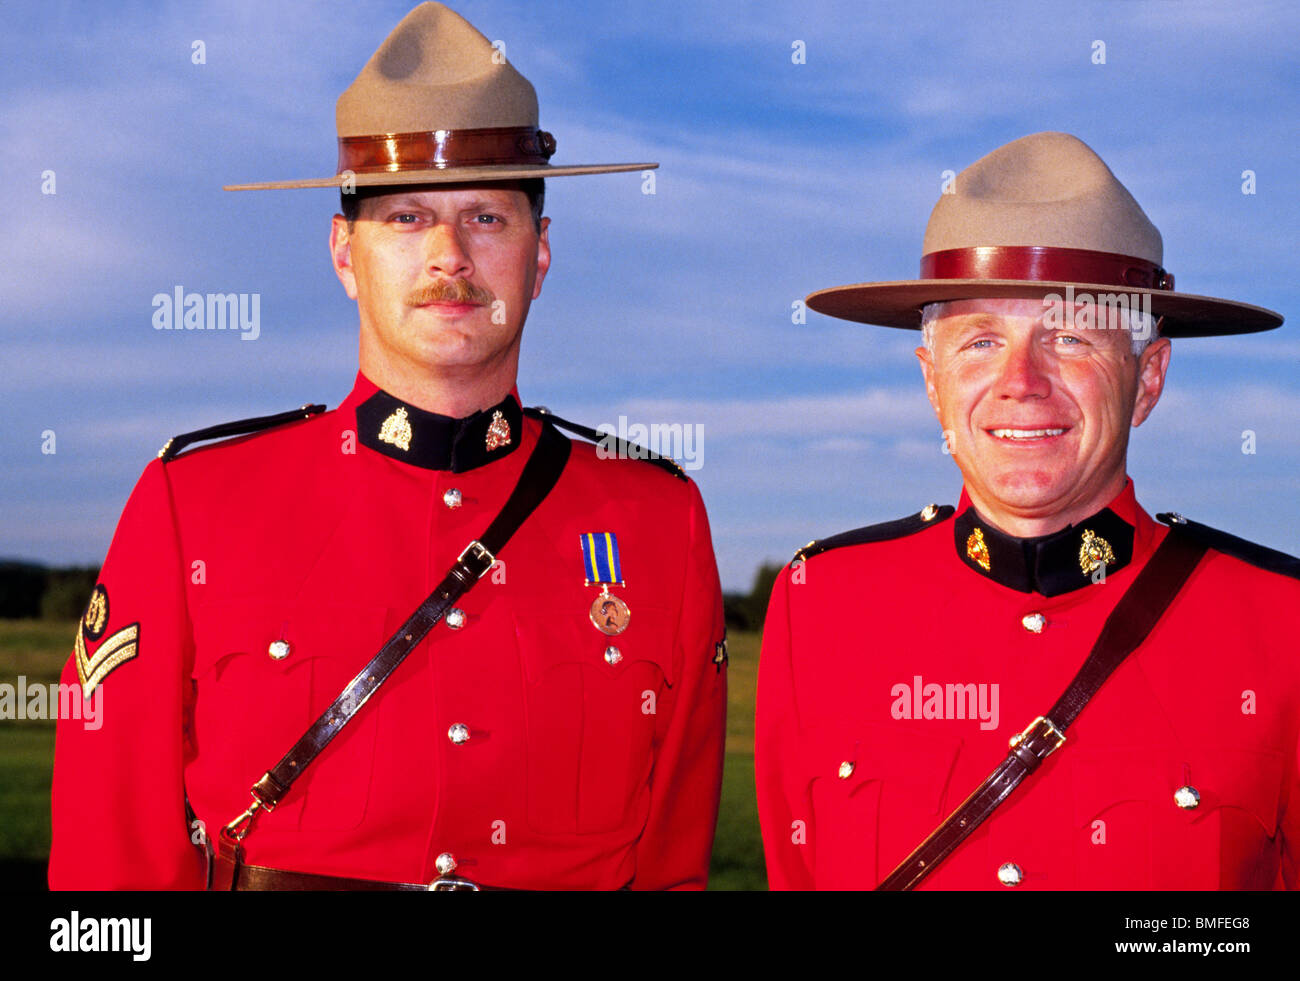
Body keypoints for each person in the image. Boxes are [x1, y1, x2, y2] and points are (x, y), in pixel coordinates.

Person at [50, 2, 726, 891]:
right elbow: (112, 862)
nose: (450, 256)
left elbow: (671, 859)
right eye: (406, 219)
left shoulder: (652, 517)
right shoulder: (197, 503)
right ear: (343, 252)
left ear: (541, 253)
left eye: (487, 217)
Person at [755, 131, 1299, 890]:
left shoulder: (1279, 625)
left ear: (1147, 378)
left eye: (1069, 336)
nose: (1021, 381)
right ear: (931, 380)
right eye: (980, 342)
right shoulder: (821, 607)